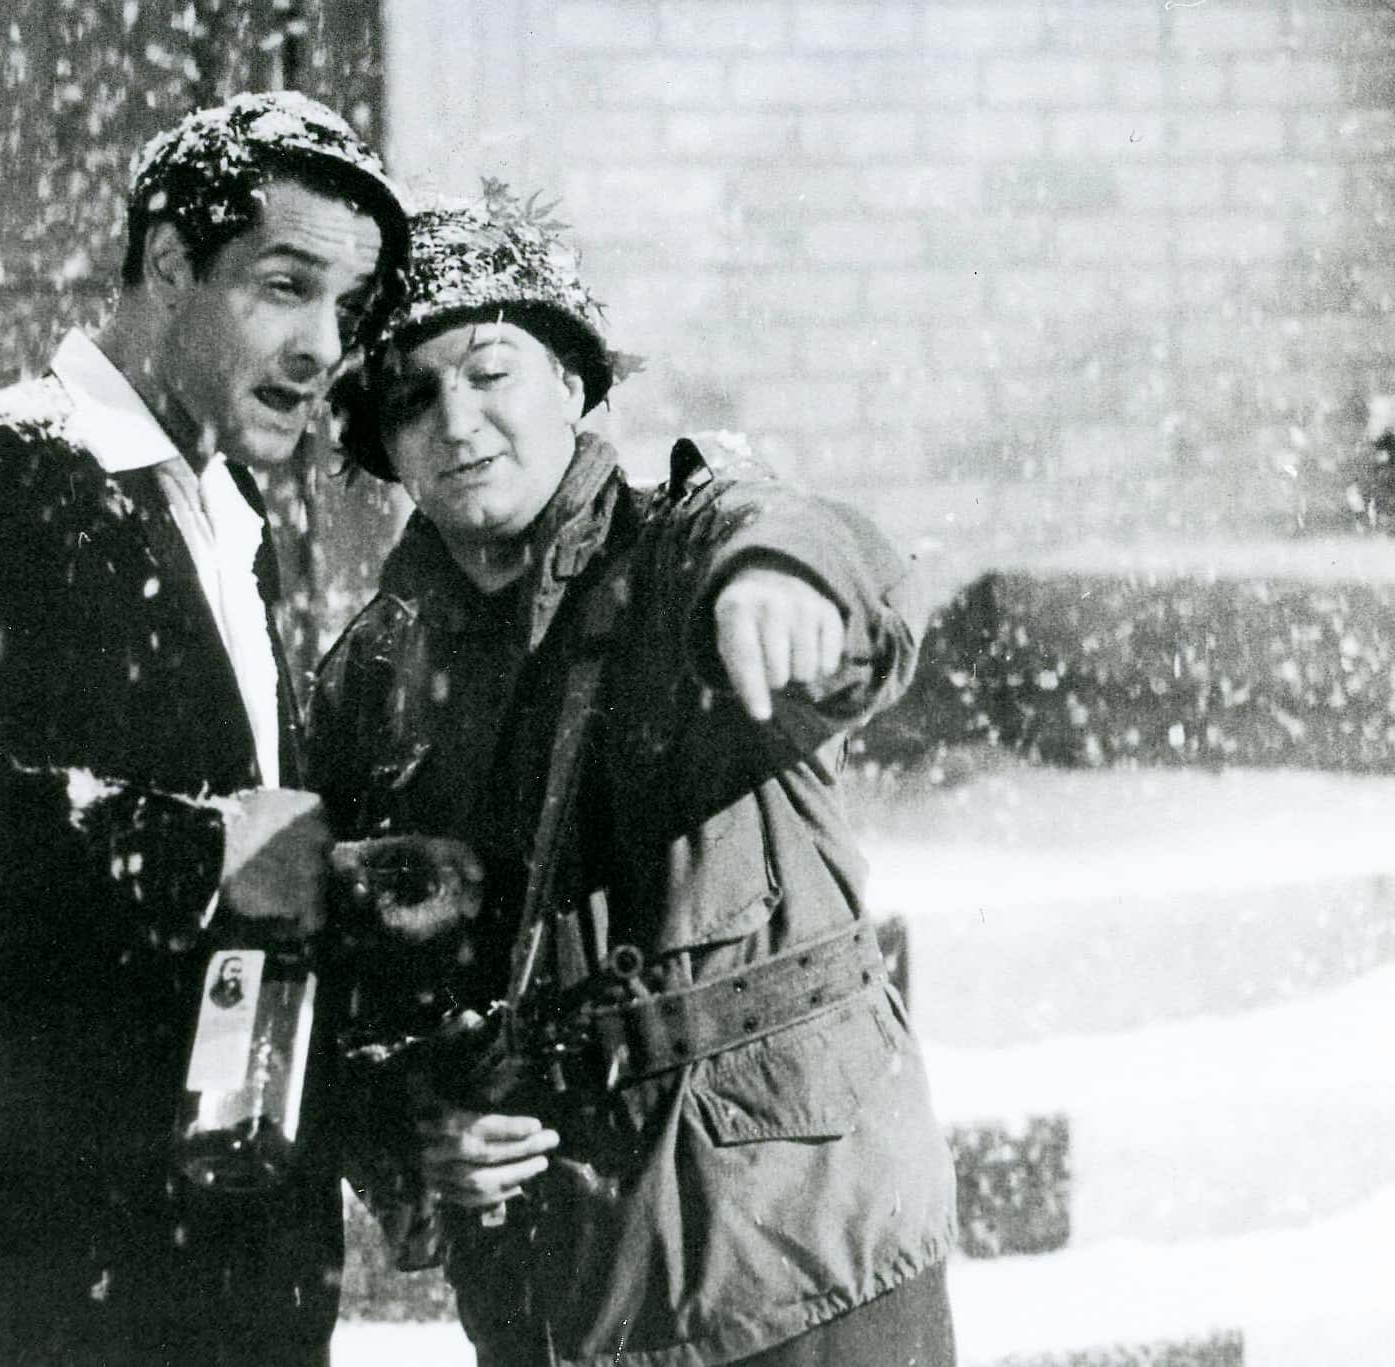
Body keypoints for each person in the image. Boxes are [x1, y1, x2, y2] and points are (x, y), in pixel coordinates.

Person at [0, 92, 406, 1367]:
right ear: (170, 262)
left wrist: (339, 882)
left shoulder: (231, 515)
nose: (321, 347)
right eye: (285, 287)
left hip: (223, 1264)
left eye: (347, 310)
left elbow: (240, 843)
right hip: (27, 1273)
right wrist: (204, 852)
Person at [309, 196, 959, 1366]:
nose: (455, 419)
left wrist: (784, 582)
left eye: (490, 371)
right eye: (410, 397)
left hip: (798, 1269)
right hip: (553, 1302)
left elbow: (806, 541)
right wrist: (418, 1133)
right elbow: (344, 999)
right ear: (382, 445)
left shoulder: (684, 556)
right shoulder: (367, 681)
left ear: (570, 382)